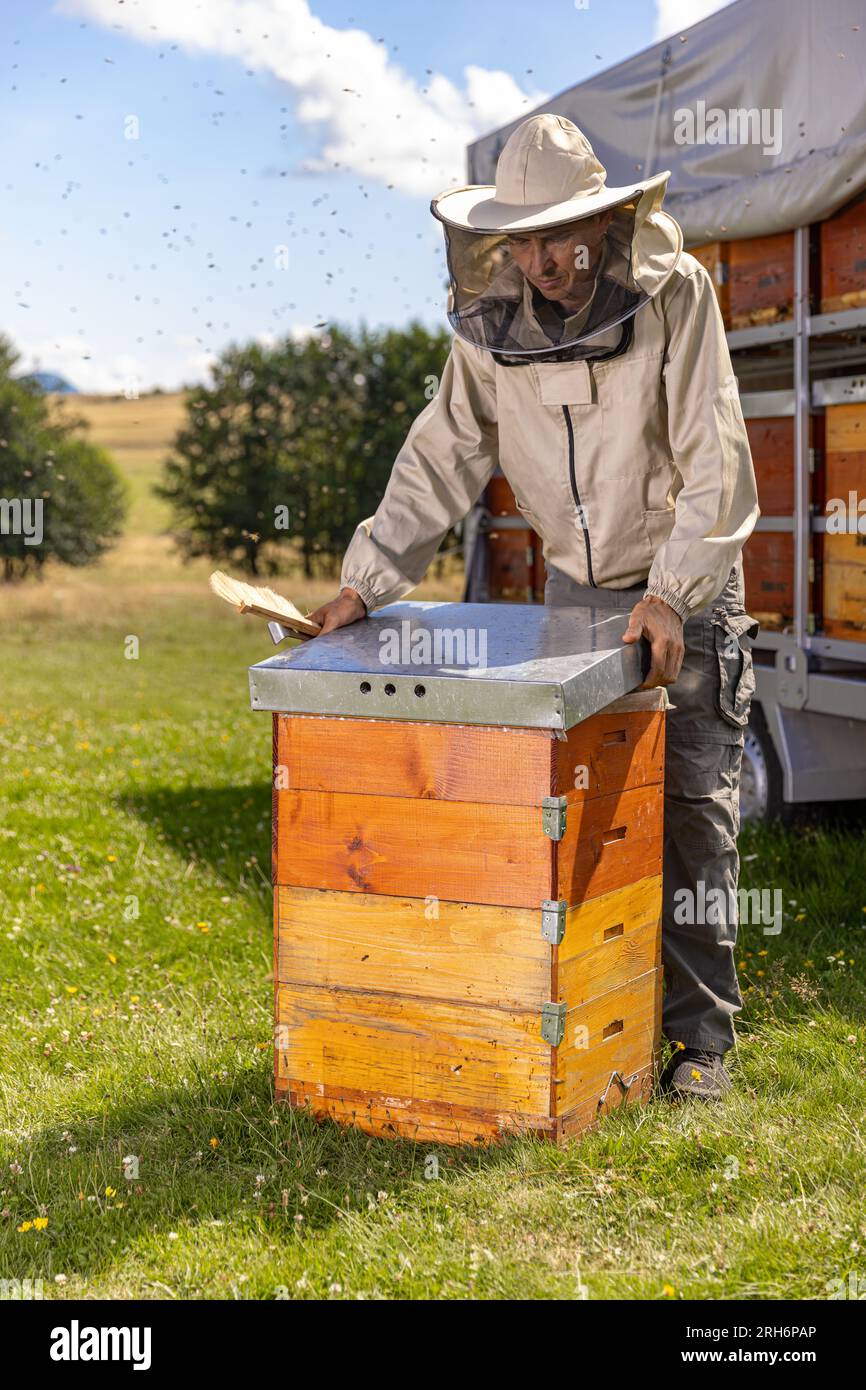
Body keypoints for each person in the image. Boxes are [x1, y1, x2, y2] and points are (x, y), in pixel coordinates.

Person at [310, 113, 760, 1102]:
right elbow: (444, 454)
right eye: (521, 238)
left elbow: (712, 458)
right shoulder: (489, 326)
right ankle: (594, 1021)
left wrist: (671, 594)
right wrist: (367, 578)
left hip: (675, 594)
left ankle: (699, 1042)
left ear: (602, 223)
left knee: (687, 811)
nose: (543, 260)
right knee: (576, 816)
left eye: (559, 235)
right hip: (572, 596)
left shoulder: (671, 296)